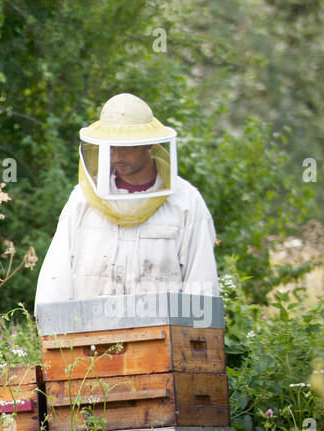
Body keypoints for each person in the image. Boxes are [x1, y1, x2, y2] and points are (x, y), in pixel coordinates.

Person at [35, 93, 219, 305]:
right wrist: (54, 333)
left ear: (150, 145)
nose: (117, 155)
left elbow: (201, 282)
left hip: (161, 335)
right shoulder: (82, 200)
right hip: (90, 333)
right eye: (111, 146)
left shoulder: (186, 202)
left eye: (126, 146)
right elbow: (56, 278)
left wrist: (196, 334)